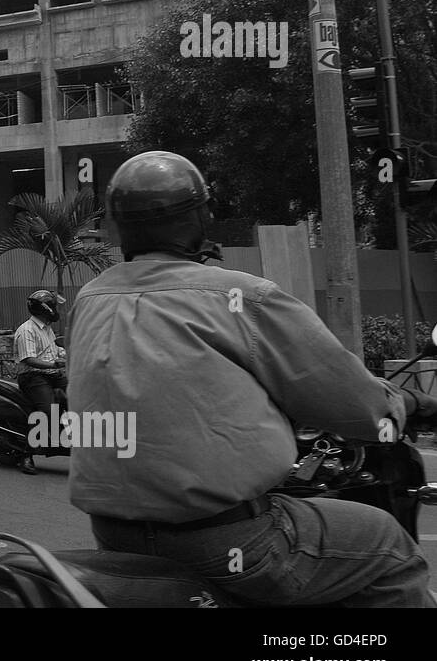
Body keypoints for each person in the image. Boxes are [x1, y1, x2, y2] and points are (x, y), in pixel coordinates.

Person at [66, 150, 437, 607]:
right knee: (389, 545)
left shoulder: (91, 297)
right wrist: (406, 404)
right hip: (226, 540)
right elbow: (359, 407)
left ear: (121, 227)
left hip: (113, 535)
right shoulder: (241, 297)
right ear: (200, 216)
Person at [12, 289, 67, 475]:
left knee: (80, 396)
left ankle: (63, 437)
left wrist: (64, 354)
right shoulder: (26, 330)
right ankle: (26, 455)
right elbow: (28, 359)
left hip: (52, 374)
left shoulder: (47, 328)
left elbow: (55, 350)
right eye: (52, 305)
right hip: (33, 377)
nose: (55, 309)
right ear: (45, 309)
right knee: (46, 410)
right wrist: (53, 363)